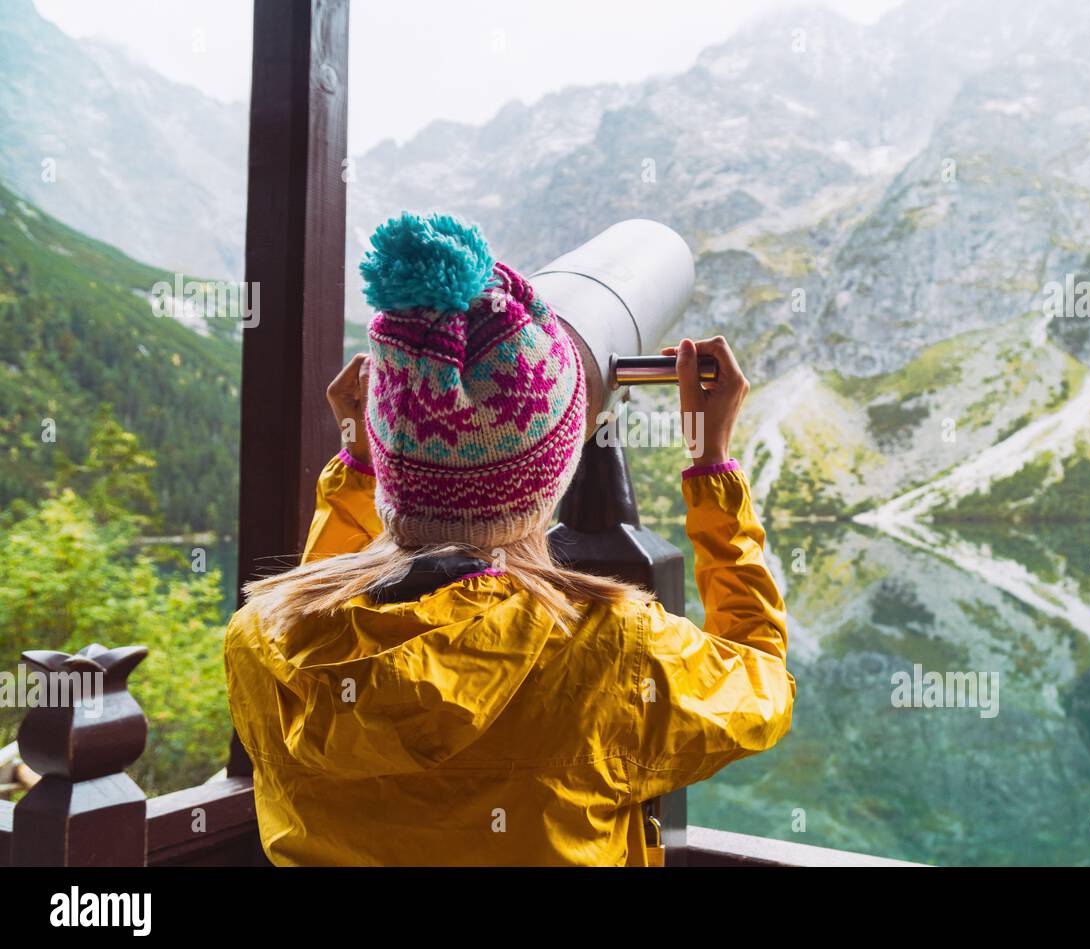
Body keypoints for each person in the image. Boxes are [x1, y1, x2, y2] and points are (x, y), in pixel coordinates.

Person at [223, 212, 795, 865]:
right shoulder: (606, 652)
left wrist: (356, 472)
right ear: (552, 471)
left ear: (390, 461)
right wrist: (711, 468)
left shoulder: (259, 639)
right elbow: (763, 685)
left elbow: (317, 610)